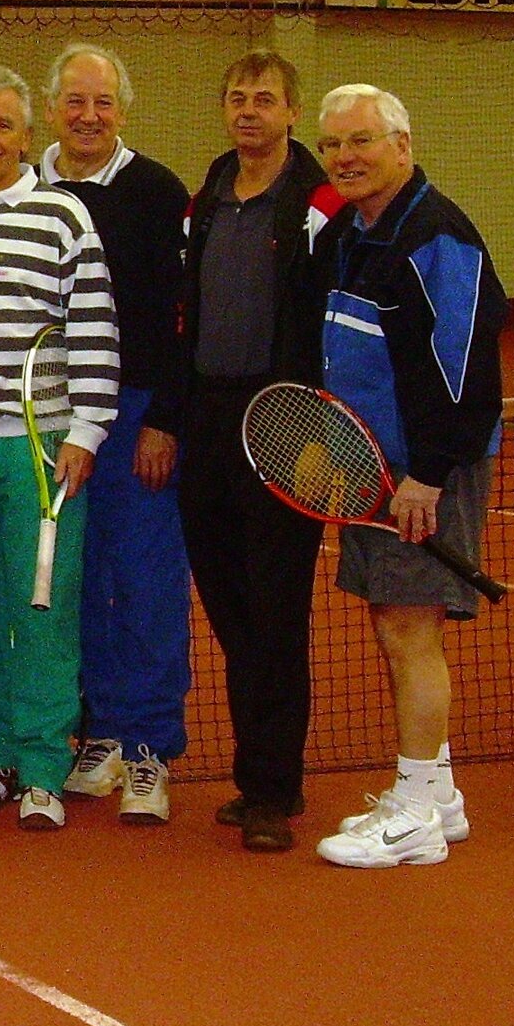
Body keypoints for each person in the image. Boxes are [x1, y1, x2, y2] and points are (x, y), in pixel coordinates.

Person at [308, 85, 505, 868]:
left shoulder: (436, 234)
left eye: (361, 141)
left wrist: (426, 473)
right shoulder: (354, 232)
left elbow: (464, 366)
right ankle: (441, 795)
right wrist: (329, 440)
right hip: (367, 458)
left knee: (410, 625)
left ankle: (417, 812)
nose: (346, 157)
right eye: (333, 146)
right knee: (394, 619)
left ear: (402, 142)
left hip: (422, 470)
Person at [0, 66, 119, 830]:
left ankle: (43, 764)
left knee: (41, 611)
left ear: (28, 135)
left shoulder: (63, 216)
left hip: (40, 455)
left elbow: (94, 332)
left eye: (2, 125)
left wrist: (86, 432)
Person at [178, 50, 335, 853]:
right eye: (237, 97)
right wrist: (169, 421)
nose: (249, 111)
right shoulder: (206, 196)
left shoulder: (317, 206)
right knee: (233, 611)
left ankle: (274, 789)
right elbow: (185, 315)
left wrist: (315, 432)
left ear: (291, 113)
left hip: (282, 425)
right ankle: (257, 773)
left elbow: (331, 328)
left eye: (264, 100)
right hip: (206, 423)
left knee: (277, 614)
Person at [37, 44, 193, 824]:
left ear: (122, 112)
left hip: (134, 415)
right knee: (69, 582)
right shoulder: (26, 189)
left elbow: (179, 315)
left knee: (144, 582)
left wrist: (162, 416)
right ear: (52, 107)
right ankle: (96, 731)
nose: (88, 116)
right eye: (74, 101)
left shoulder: (158, 191)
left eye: (102, 103)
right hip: (43, 417)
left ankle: (149, 746)